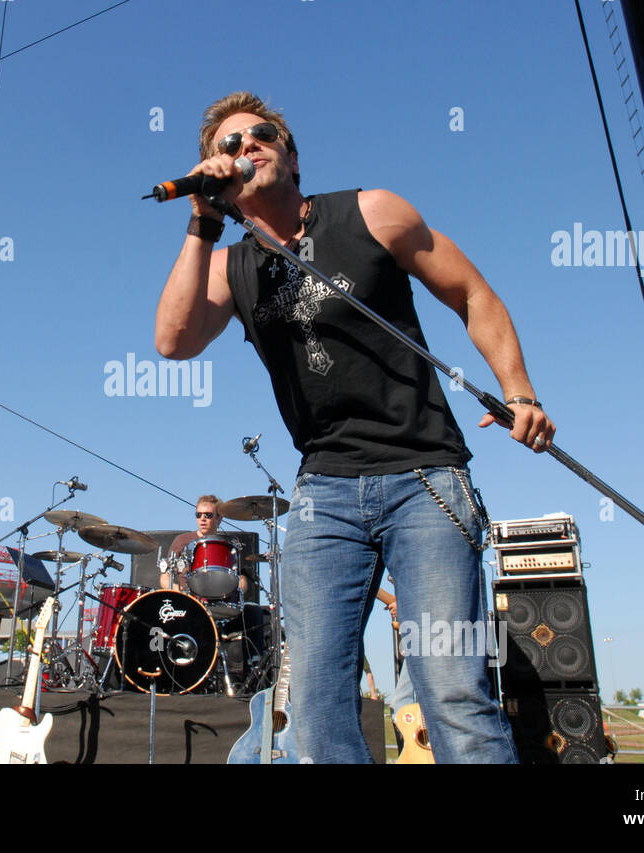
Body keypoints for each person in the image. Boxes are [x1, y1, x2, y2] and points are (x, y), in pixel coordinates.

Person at [155, 92, 554, 763]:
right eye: (229, 144)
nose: (246, 147)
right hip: (325, 491)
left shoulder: (372, 212)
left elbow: (471, 292)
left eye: (261, 135)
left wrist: (519, 390)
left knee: (451, 690)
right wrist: (201, 223)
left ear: (291, 154)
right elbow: (173, 342)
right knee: (311, 702)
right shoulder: (230, 265)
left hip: (424, 476)